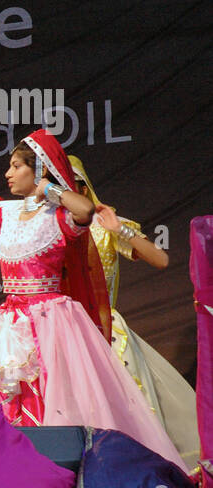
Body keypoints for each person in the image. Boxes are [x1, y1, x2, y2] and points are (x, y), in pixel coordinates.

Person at [0, 130, 185, 468]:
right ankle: (20, 472)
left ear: (39, 170)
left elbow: (85, 209)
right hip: (12, 321)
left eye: (16, 166)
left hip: (54, 323)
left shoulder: (60, 218)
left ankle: (68, 471)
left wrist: (47, 188)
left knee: (60, 401)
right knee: (13, 398)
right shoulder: (6, 212)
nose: (7, 173)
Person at [68, 156, 199, 469]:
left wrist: (120, 231)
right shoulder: (48, 227)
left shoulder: (104, 224)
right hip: (63, 334)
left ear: (83, 189)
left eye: (67, 187)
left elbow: (161, 260)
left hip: (107, 334)